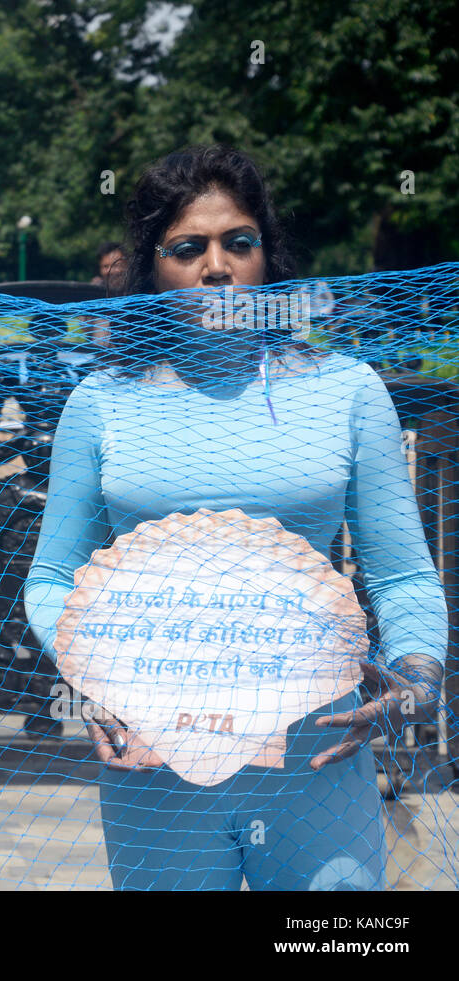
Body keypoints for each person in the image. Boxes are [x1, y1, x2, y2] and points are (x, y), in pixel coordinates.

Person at [23, 145, 447, 890]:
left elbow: (404, 572)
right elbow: (55, 576)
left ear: (266, 256)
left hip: (316, 753)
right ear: (151, 267)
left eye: (238, 243)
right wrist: (91, 681)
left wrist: (415, 673)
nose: (217, 267)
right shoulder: (101, 403)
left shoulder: (346, 391)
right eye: (188, 249)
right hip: (159, 757)